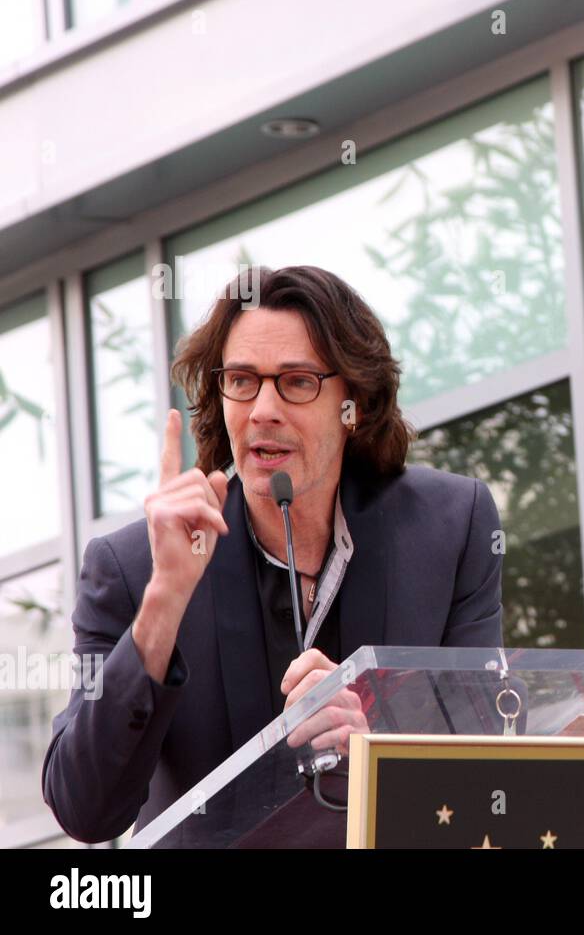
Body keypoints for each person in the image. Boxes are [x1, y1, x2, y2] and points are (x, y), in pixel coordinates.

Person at [41, 265, 504, 844]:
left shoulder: (449, 526)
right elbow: (84, 809)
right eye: (241, 380)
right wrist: (164, 600)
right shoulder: (132, 569)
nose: (263, 409)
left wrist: (378, 733)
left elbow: (492, 746)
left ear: (352, 403)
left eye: (297, 381)